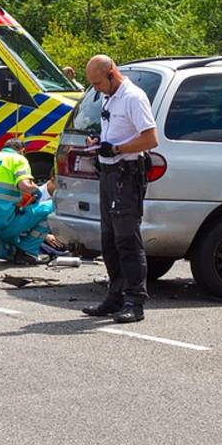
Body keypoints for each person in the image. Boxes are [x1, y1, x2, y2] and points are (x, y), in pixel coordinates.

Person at [80, 55, 159, 324]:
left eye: (98, 83)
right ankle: (115, 296)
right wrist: (99, 142)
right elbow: (117, 132)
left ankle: (135, 302)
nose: (96, 88)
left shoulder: (133, 97)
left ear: (112, 74)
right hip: (109, 175)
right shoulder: (109, 97)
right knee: (109, 240)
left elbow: (150, 138)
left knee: (127, 240)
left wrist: (115, 149)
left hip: (127, 174)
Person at [0, 139, 48, 266]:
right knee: (51, 207)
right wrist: (37, 191)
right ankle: (27, 252)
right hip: (5, 223)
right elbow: (24, 185)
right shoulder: (19, 159)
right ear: (22, 151)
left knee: (12, 220)